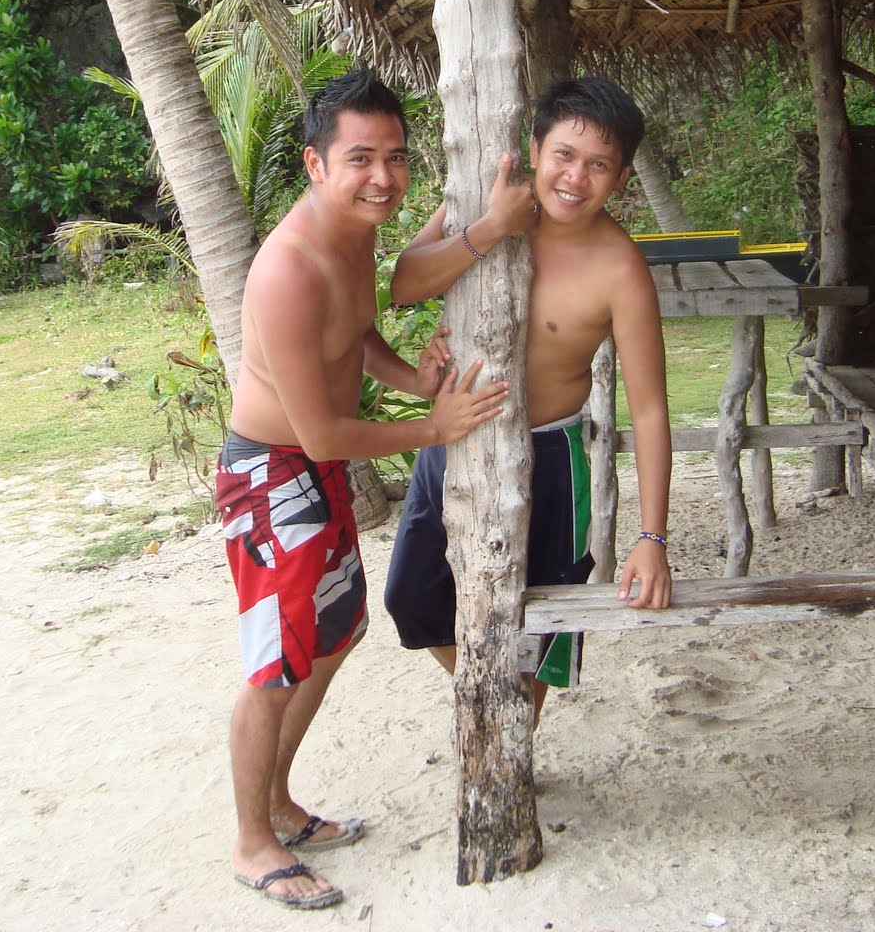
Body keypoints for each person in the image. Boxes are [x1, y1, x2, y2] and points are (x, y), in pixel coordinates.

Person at [220, 69, 508, 911]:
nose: (383, 177)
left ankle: (278, 802)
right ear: (315, 163)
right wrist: (437, 427)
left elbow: (359, 333)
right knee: (273, 665)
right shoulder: (289, 270)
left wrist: (416, 383)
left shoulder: (356, 231)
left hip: (314, 470)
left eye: (395, 157)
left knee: (334, 635)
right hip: (273, 473)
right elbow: (321, 434)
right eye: (360, 159)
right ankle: (250, 841)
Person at [384, 75, 674, 714]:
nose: (576, 177)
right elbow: (404, 283)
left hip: (548, 455)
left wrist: (652, 539)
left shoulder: (620, 268)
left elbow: (650, 410)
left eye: (599, 165)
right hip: (453, 441)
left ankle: (514, 728)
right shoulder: (483, 204)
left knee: (544, 622)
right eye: (564, 155)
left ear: (622, 177)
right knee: (411, 598)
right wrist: (488, 229)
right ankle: (493, 706)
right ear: (535, 150)